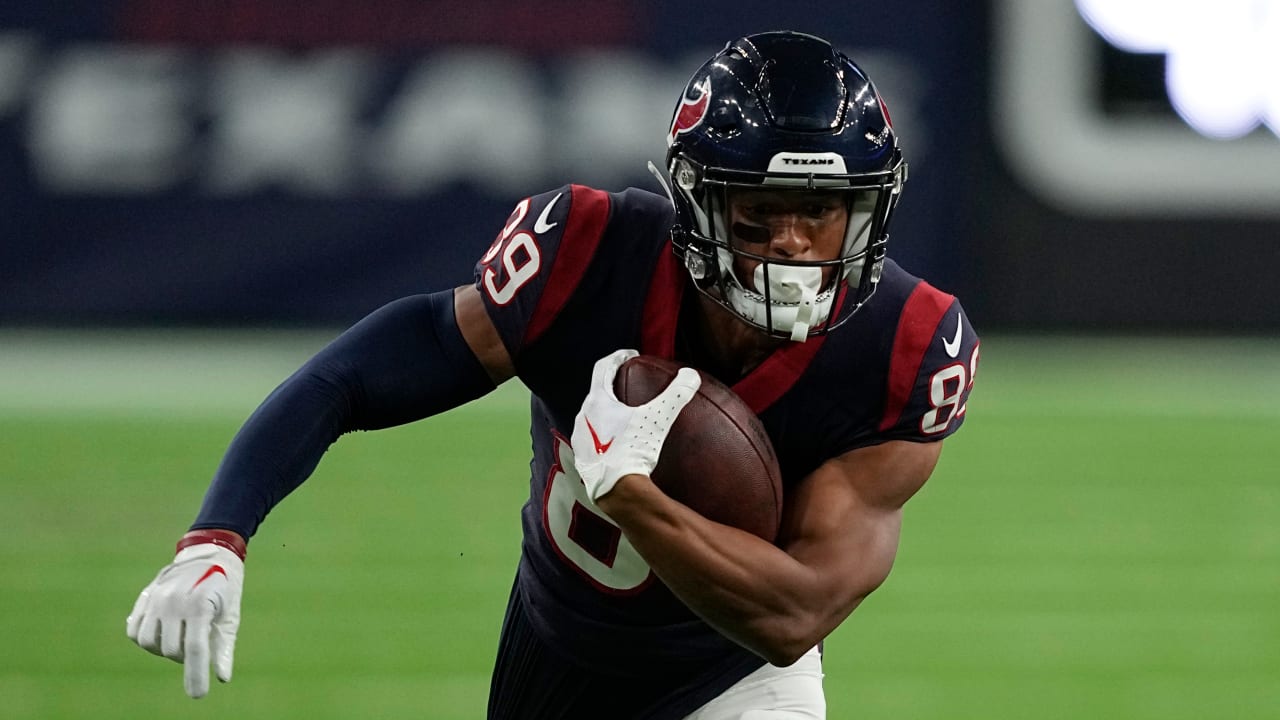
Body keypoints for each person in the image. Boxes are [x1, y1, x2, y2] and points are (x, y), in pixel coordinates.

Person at [126, 30, 979, 719]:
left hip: (738, 679)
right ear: (696, 205)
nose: (793, 243)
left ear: (866, 210)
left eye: (821, 212)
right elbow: (357, 375)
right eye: (760, 210)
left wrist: (632, 493)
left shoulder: (905, 344)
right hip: (553, 651)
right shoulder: (586, 255)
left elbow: (794, 618)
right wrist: (217, 537)